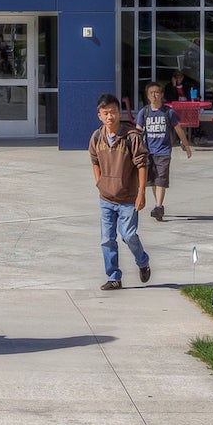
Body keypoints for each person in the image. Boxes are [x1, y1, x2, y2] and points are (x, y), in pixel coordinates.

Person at [90, 93, 152, 289]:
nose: (110, 116)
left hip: (127, 199)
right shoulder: (97, 137)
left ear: (119, 113)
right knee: (107, 240)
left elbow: (142, 165)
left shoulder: (131, 137)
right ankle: (114, 277)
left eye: (114, 112)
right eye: (105, 113)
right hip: (106, 199)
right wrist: (100, 182)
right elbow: (94, 161)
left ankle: (142, 261)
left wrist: (141, 193)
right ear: (99, 115)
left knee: (129, 235)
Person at [132, 81, 190, 220]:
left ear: (162, 95)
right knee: (153, 181)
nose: (154, 96)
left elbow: (178, 129)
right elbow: (138, 131)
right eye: (151, 93)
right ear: (147, 96)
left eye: (157, 93)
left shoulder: (169, 112)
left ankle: (158, 206)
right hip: (148, 152)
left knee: (161, 180)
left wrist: (186, 146)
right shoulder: (144, 112)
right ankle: (159, 206)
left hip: (164, 152)